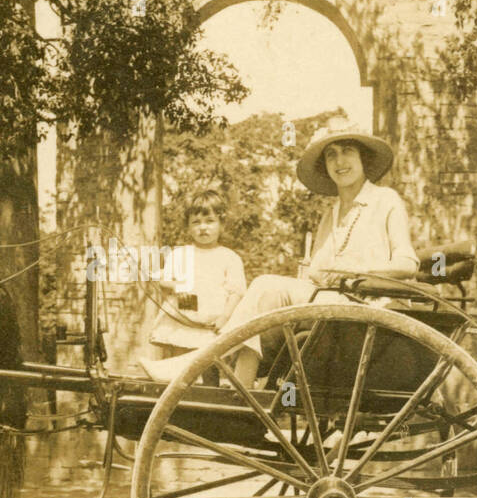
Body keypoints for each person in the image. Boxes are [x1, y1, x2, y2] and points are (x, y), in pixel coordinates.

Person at [140, 116, 419, 387]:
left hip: (372, 308)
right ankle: (242, 387)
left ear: (363, 159)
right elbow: (315, 277)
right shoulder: (330, 214)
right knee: (265, 299)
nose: (340, 161)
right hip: (331, 302)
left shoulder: (385, 200)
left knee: (265, 285)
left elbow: (408, 264)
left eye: (348, 152)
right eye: (331, 155)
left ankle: (194, 364)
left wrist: (359, 272)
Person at [143, 188, 246, 382]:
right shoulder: (180, 254)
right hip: (184, 320)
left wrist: (225, 317)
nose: (203, 228)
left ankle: (208, 402)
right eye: (196, 223)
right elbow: (164, 280)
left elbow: (236, 292)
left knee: (208, 365)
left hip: (211, 326)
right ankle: (176, 400)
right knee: (179, 366)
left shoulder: (229, 257)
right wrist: (175, 285)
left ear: (222, 224)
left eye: (210, 221)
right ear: (188, 227)